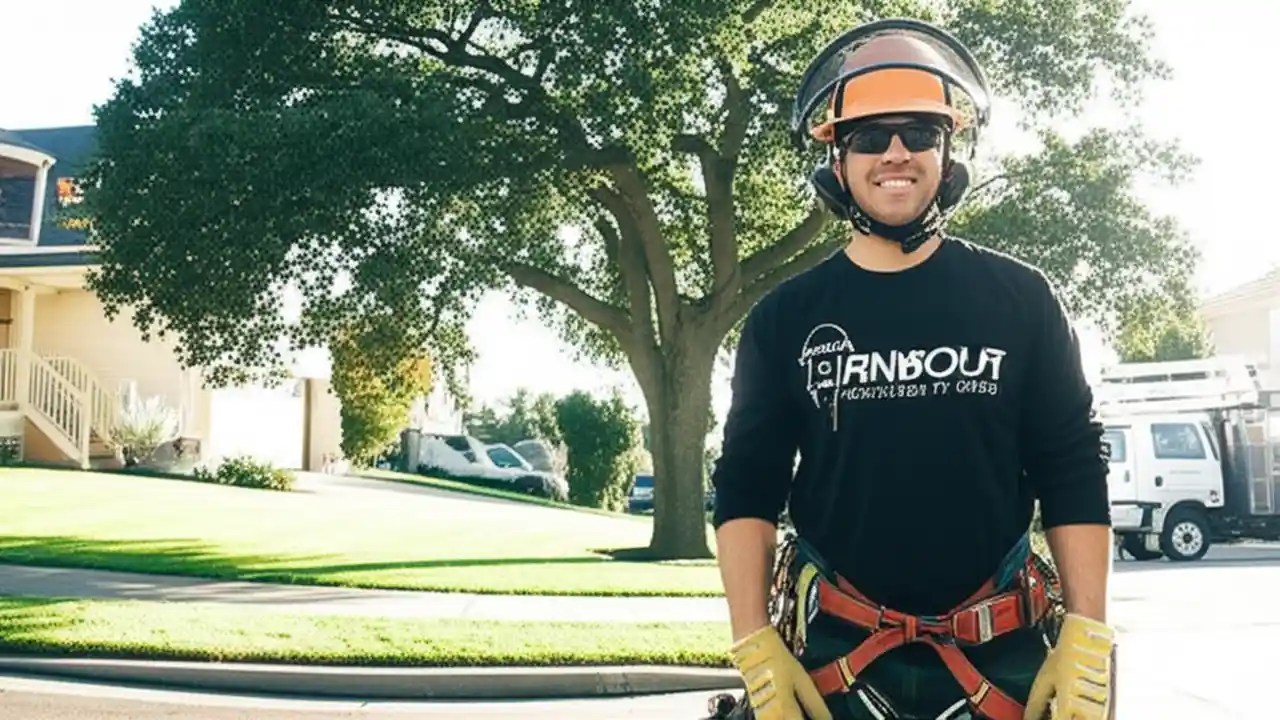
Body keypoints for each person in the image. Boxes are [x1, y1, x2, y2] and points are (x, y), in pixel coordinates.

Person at [709, 18, 1117, 720]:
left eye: (919, 133)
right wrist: (754, 641)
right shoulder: (784, 318)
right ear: (836, 158)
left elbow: (1072, 466)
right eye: (870, 136)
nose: (895, 153)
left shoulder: (1021, 299)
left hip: (1003, 646)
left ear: (949, 149)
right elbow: (747, 484)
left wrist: (1086, 628)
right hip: (836, 648)